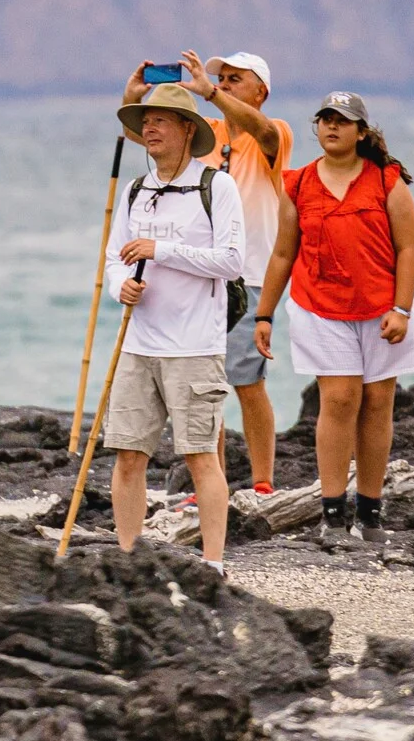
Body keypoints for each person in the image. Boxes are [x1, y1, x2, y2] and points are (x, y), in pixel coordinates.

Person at [254, 92, 414, 544]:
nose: (332, 127)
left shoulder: (387, 182)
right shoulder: (300, 183)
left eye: (343, 122)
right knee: (341, 398)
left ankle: (369, 513)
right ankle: (332, 515)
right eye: (325, 119)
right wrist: (263, 314)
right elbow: (283, 253)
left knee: (378, 403)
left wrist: (401, 309)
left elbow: (408, 249)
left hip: (384, 308)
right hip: (319, 306)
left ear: (361, 132)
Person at [126, 50, 290, 495]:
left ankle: (262, 482)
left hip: (250, 271)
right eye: (223, 78)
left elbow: (261, 129)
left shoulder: (274, 134)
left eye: (237, 79)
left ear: (261, 90)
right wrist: (134, 98)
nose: (227, 83)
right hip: (203, 271)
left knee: (247, 380)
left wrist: (212, 94)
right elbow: (148, 138)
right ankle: (210, 481)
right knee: (206, 380)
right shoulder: (211, 133)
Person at [103, 84, 244, 574]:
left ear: (189, 129)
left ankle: (212, 563)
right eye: (146, 120)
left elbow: (231, 261)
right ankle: (128, 559)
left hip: (195, 345)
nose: (150, 128)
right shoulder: (136, 191)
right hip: (138, 343)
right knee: (127, 455)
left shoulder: (216, 186)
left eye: (162, 120)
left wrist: (159, 251)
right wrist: (120, 286)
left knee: (201, 456)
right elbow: (112, 257)